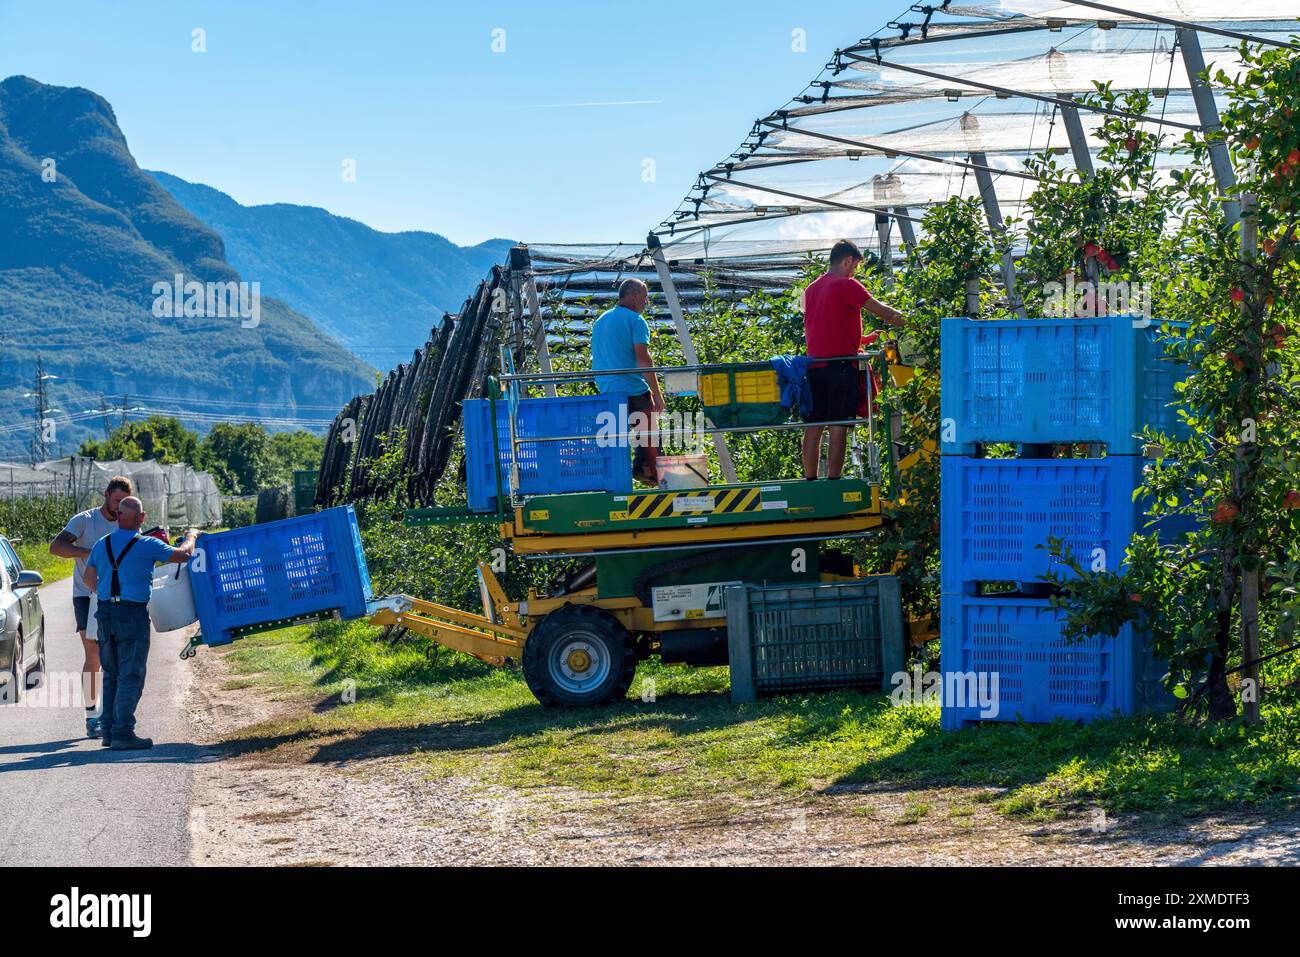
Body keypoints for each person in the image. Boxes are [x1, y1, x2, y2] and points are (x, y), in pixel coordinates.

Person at [82, 497, 198, 751]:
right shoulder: (147, 544)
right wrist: (191, 536)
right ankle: (124, 731)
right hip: (131, 614)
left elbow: (88, 576)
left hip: (105, 613)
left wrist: (104, 595)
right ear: (141, 518)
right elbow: (183, 555)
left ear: (119, 516)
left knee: (111, 673)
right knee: (131, 673)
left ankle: (109, 731)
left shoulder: (102, 544)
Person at [801, 239, 904, 480]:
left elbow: (823, 329)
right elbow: (886, 313)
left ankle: (809, 481)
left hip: (814, 367)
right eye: (855, 266)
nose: (855, 271)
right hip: (841, 368)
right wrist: (917, 324)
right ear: (848, 260)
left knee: (813, 426)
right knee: (838, 426)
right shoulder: (848, 285)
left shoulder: (811, 289)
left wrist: (862, 340)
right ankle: (834, 482)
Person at [49, 476, 134, 738]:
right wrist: (90, 552)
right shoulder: (84, 520)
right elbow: (56, 547)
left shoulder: (126, 521)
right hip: (86, 595)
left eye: (124, 504)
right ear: (106, 495)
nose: (120, 508)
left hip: (118, 596)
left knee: (119, 655)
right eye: (117, 501)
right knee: (94, 655)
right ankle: (91, 716)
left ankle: (116, 716)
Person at [591, 278, 665, 485]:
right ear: (634, 296)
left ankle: (622, 477)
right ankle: (650, 471)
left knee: (616, 438)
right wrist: (657, 394)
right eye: (644, 297)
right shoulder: (635, 320)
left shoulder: (601, 321)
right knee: (649, 429)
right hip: (630, 387)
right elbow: (643, 358)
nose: (646, 302)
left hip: (606, 389)